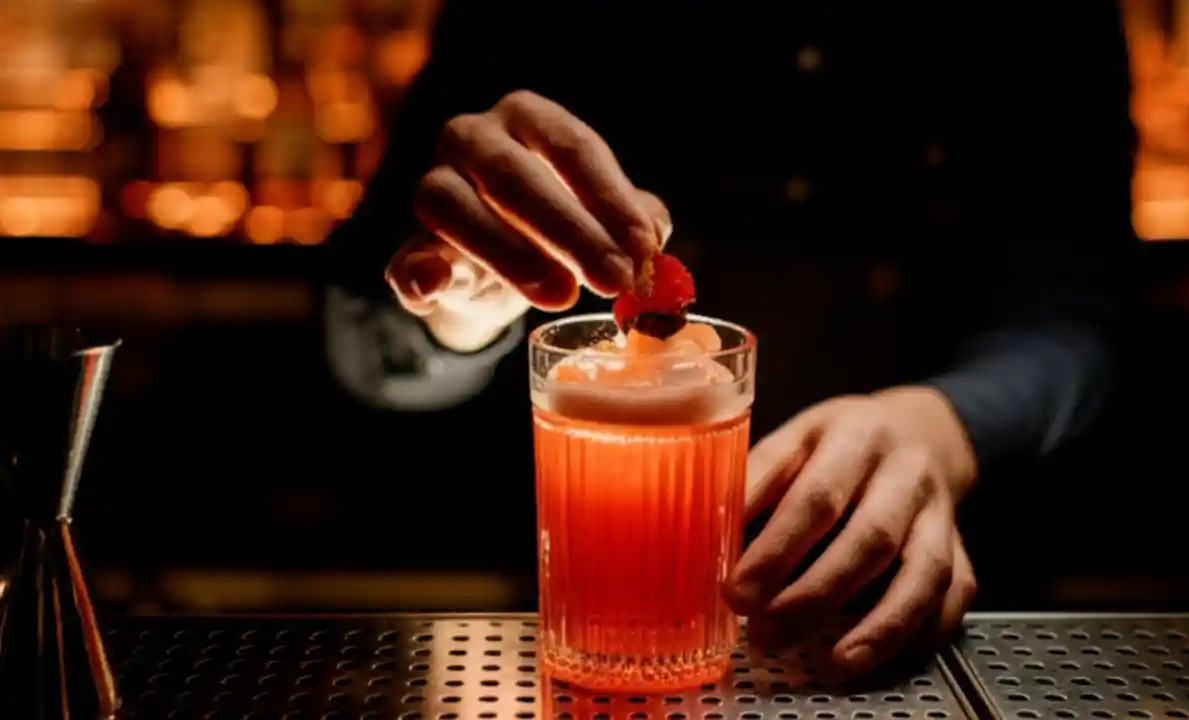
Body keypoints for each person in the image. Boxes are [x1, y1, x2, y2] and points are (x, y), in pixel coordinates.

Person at [324, 0, 1137, 673]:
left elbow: (1083, 299)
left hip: (949, 612)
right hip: (581, 629)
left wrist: (950, 424)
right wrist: (459, 313)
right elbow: (363, 331)